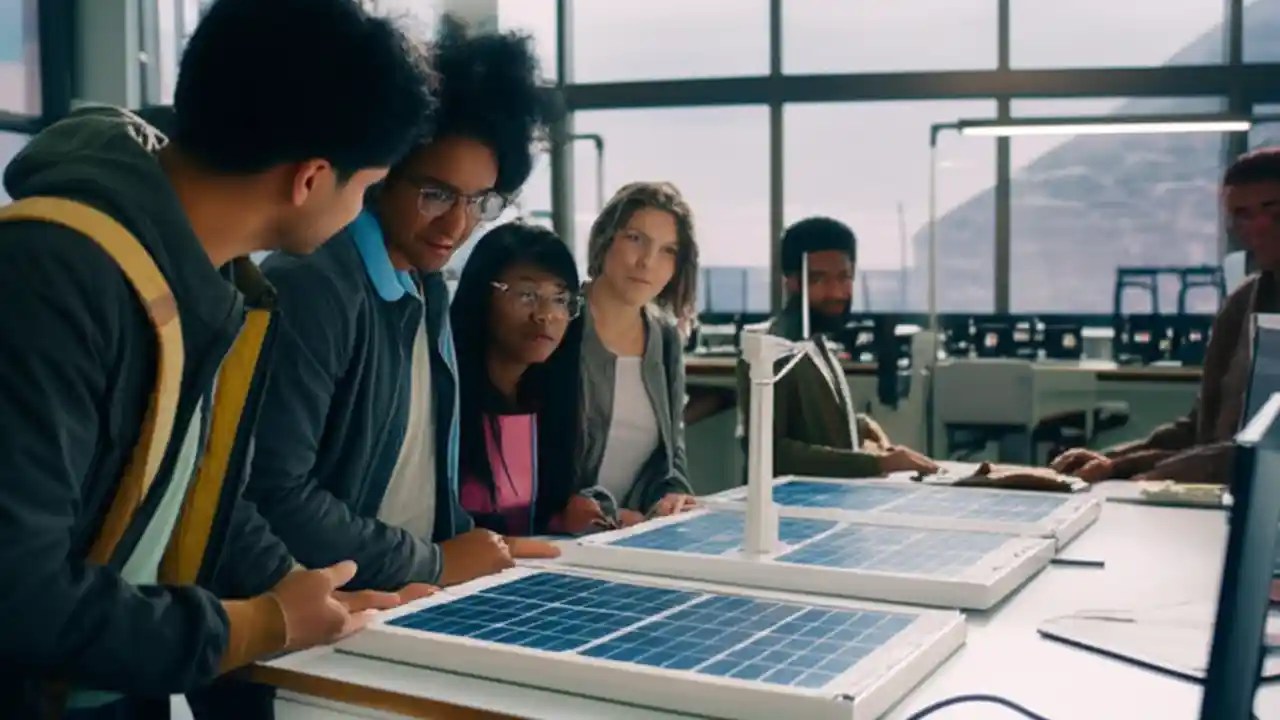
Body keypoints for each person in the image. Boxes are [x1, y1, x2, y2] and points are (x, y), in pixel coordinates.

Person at [0, 0, 437, 716]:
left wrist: (313, 599)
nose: (361, 210)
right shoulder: (50, 274)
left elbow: (197, 494)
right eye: (365, 188)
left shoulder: (202, 281)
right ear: (310, 178)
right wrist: (262, 623)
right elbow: (18, 595)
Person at [244, 17, 561, 595]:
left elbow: (418, 471)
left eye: (479, 201)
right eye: (436, 193)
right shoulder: (315, 284)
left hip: (398, 598)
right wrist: (433, 563)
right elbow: (272, 494)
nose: (458, 223)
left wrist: (475, 545)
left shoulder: (427, 284)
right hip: (310, 618)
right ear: (383, 171)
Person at [1052, 147, 1280, 485]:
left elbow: (1264, 447)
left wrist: (1148, 472)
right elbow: (1202, 432)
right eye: (1242, 214)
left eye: (1272, 210)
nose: (1256, 227)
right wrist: (1115, 460)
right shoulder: (1243, 303)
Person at [738, 217, 938, 479]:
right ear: (792, 282)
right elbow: (771, 451)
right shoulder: (769, 348)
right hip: (784, 513)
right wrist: (880, 464)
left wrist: (862, 427)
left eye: (844, 278)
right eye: (820, 279)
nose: (836, 292)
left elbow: (811, 427)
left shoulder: (816, 343)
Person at [574, 182, 700, 529]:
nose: (647, 262)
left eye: (667, 250)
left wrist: (672, 496)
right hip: (554, 534)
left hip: (631, 534)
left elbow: (671, 456)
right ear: (606, 238)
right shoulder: (561, 320)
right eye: (635, 239)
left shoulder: (665, 338)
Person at [454, 223, 585, 534]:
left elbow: (533, 515)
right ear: (481, 295)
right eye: (527, 295)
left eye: (560, 299)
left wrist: (570, 516)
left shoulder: (549, 400)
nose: (545, 315)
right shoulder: (443, 394)